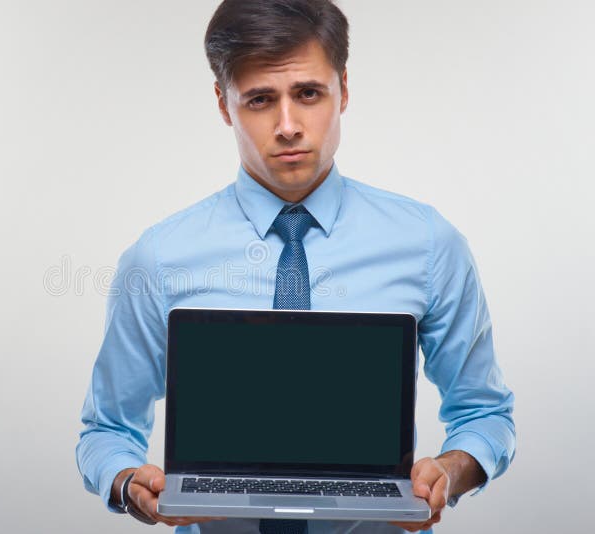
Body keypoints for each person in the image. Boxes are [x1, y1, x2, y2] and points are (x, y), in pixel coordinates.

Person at [75, 1, 516, 533]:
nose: (288, 126)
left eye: (308, 93)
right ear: (224, 104)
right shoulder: (159, 257)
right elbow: (105, 430)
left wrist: (450, 470)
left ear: (344, 91)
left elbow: (485, 416)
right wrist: (128, 483)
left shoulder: (428, 244)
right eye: (261, 99)